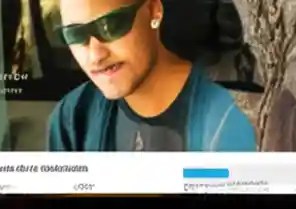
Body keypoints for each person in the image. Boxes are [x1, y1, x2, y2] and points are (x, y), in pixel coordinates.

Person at [47, 0, 257, 151]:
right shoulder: (74, 117)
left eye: (110, 26)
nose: (95, 55)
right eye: (75, 35)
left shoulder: (232, 116)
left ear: (154, 10)